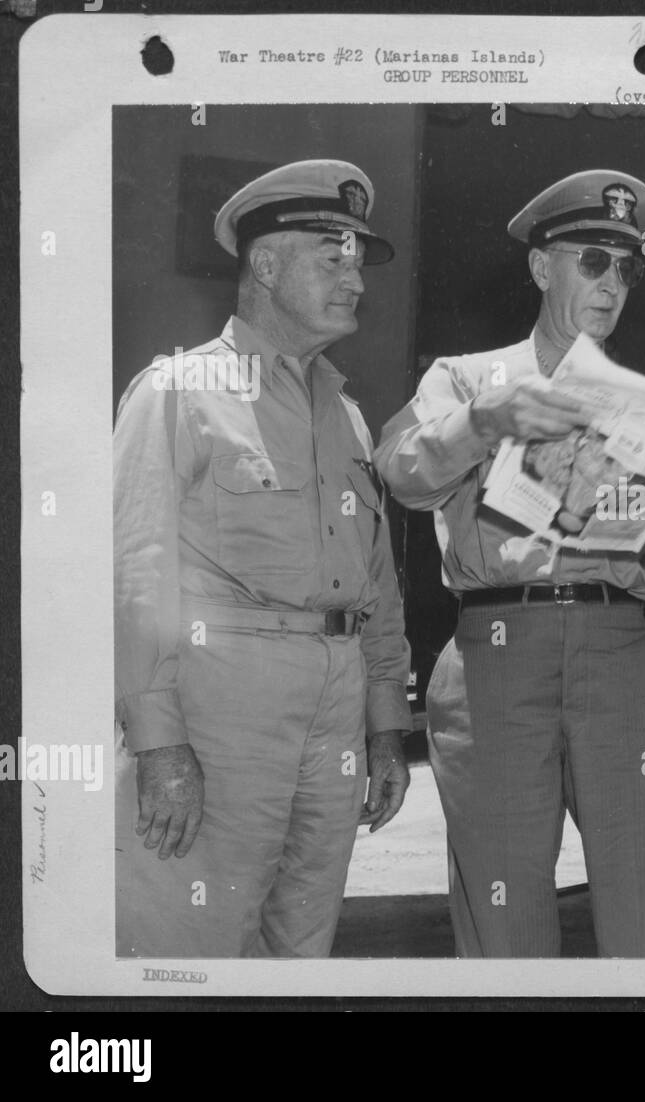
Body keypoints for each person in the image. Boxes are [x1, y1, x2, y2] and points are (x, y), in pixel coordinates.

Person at [374, 170, 645, 958]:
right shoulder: (465, 378)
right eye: (594, 262)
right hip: (496, 656)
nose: (614, 285)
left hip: (625, 654)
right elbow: (402, 473)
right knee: (504, 910)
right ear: (542, 267)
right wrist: (486, 422)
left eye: (628, 269)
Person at [114, 160, 413, 958]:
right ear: (266, 265)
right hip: (221, 713)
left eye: (357, 259)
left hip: (336, 708)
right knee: (190, 944)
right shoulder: (179, 391)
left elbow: (375, 587)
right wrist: (159, 743)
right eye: (333, 255)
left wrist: (387, 726)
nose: (355, 276)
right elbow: (136, 578)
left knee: (301, 950)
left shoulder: (346, 415)